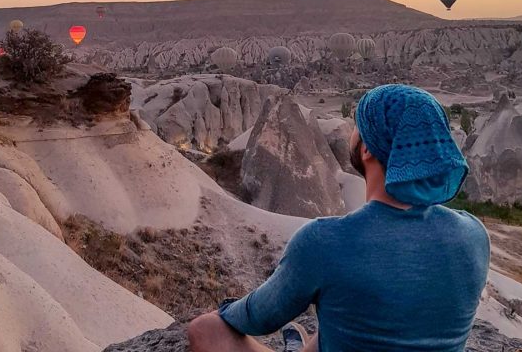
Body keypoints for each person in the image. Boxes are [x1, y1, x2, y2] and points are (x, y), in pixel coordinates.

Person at [188, 84, 490, 352]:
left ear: (369, 149)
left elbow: (256, 317)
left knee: (205, 329)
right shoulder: (474, 234)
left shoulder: (325, 241)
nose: (351, 132)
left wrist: (226, 311)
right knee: (341, 313)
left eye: (358, 126)